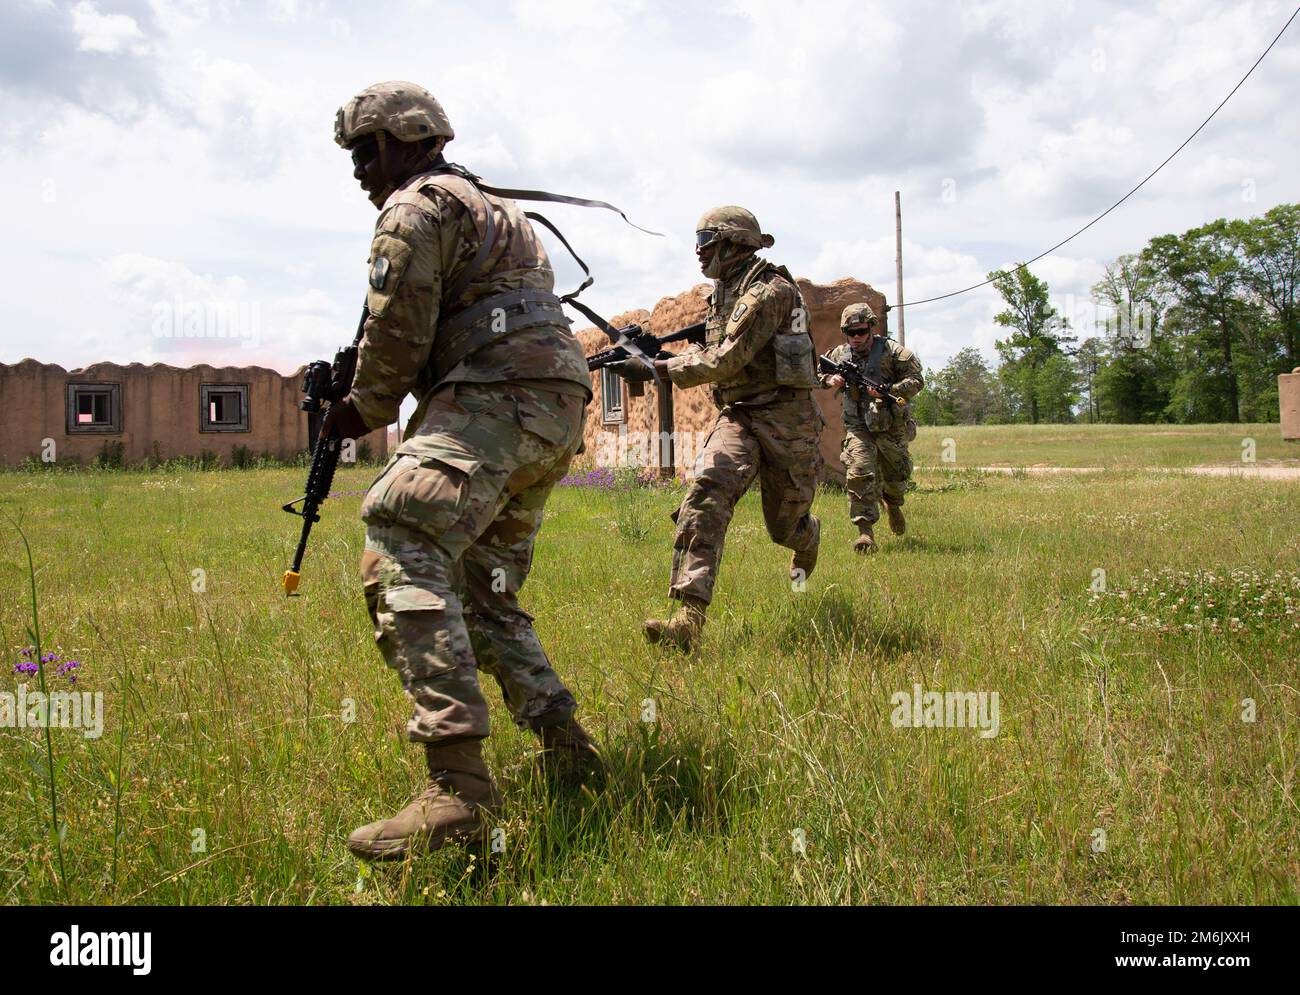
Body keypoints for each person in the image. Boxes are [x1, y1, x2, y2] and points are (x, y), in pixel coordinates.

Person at [324, 81, 599, 861]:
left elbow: (397, 336)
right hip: (552, 403)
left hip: (498, 392)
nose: (359, 171)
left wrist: (357, 408)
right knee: (486, 589)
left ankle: (458, 789)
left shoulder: (414, 208)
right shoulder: (491, 205)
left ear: (410, 138)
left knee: (401, 531)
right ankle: (567, 748)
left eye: (367, 150)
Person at [624, 206, 823, 652]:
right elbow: (716, 347)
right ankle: (688, 619)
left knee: (782, 526)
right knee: (706, 492)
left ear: (734, 244)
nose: (698, 252)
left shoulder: (770, 292)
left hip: (787, 419)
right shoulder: (722, 293)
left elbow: (727, 359)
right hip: (740, 414)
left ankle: (807, 536)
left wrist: (656, 369)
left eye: (706, 243)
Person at [818, 302, 922, 554]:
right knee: (859, 473)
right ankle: (865, 533)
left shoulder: (894, 352)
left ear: (872, 328)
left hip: (890, 426)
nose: (856, 338)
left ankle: (893, 504)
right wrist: (830, 380)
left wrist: (889, 390)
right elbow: (816, 373)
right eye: (850, 333)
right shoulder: (839, 355)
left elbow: (917, 380)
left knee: (897, 476)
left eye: (861, 332)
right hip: (858, 426)